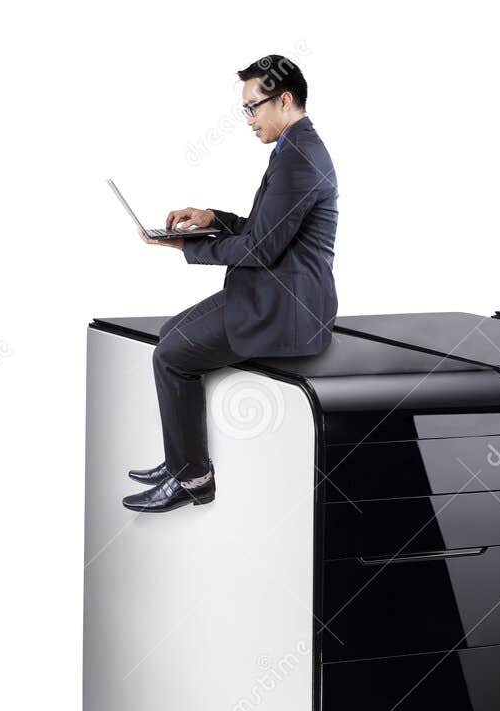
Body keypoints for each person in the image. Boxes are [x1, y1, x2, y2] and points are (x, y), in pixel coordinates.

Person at [126, 55, 338, 513]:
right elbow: (268, 229)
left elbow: (261, 249)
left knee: (171, 356)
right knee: (169, 335)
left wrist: (185, 248)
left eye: (252, 107)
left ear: (284, 100)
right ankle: (179, 459)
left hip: (285, 309)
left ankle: (193, 480)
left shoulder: (299, 157)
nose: (247, 120)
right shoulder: (294, 148)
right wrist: (212, 219)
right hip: (274, 293)